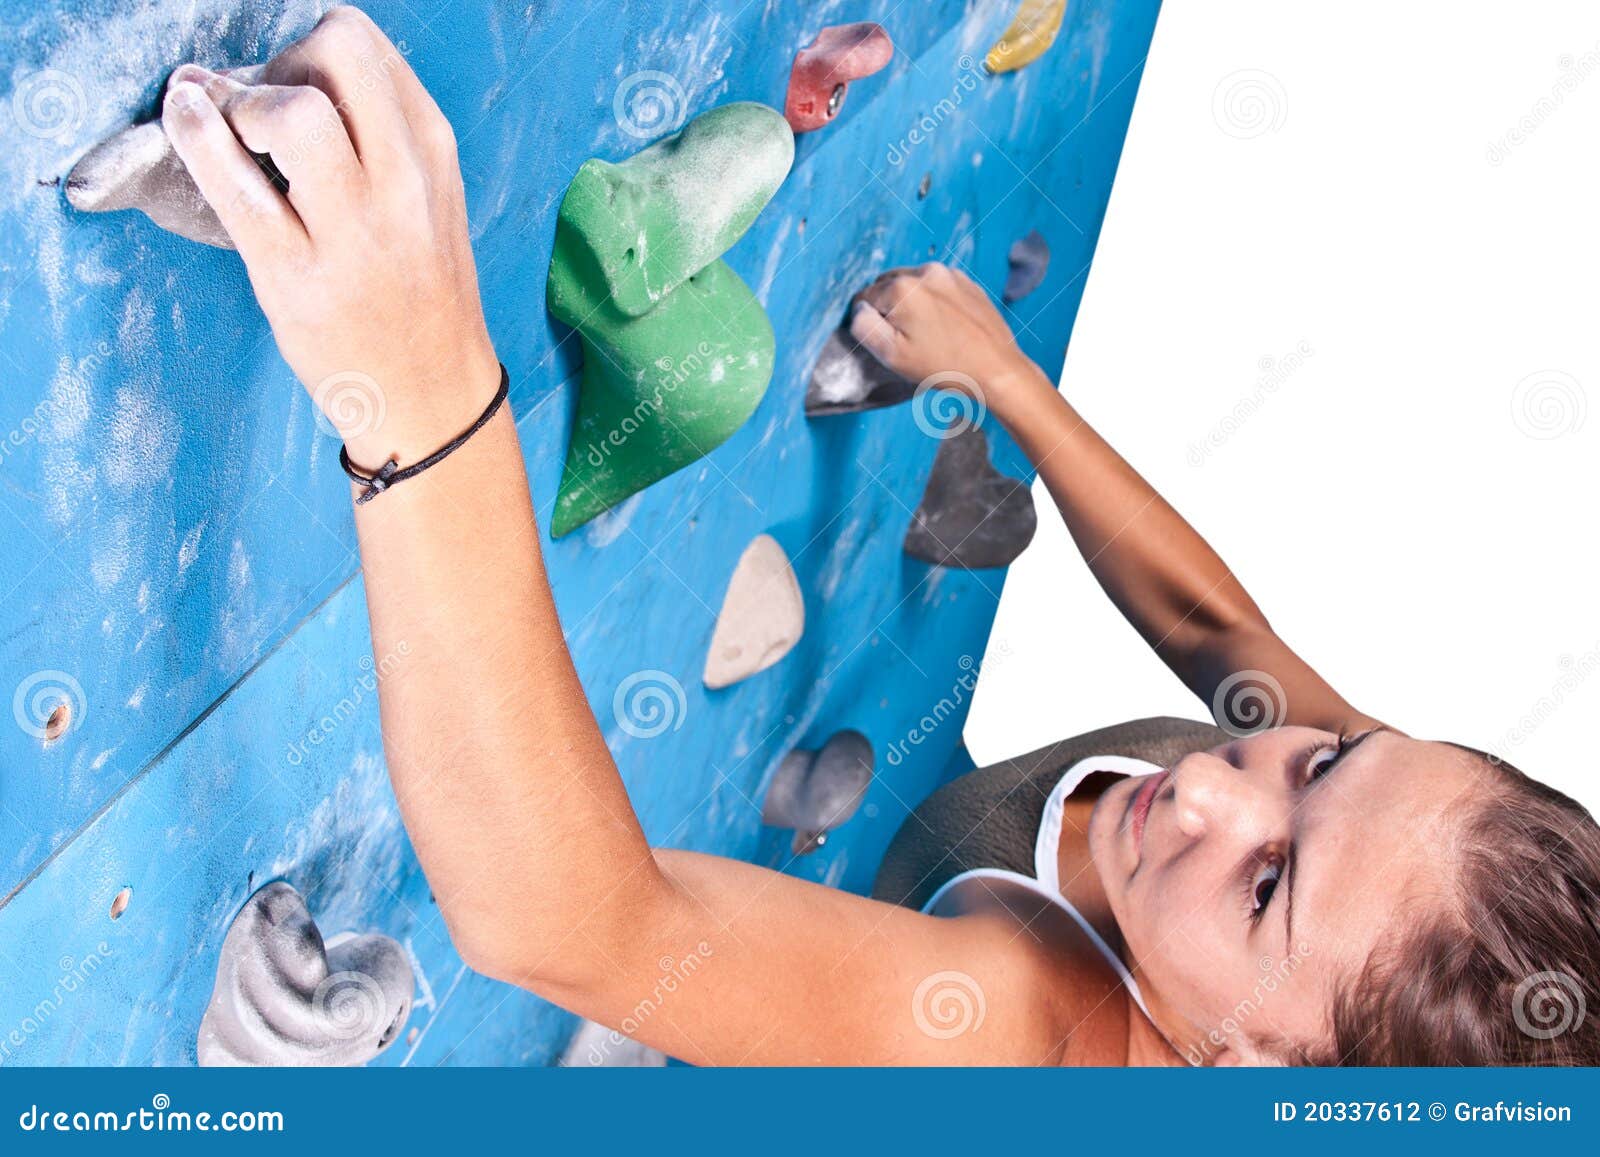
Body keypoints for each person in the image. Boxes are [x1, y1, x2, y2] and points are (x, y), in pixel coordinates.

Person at [161, 7, 1599, 1065]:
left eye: (1267, 885)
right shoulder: (1402, 872)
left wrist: (415, 388)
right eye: (1326, 760)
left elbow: (585, 924)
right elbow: (1225, 640)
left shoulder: (1030, 1036)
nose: (1231, 787)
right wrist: (1016, 387)